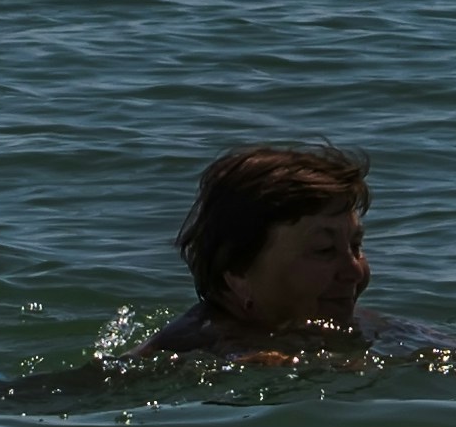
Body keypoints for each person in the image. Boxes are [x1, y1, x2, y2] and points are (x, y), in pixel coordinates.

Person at [145, 141, 372, 356]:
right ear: (238, 273)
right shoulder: (209, 348)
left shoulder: (345, 322)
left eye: (355, 246)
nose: (354, 272)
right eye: (324, 250)